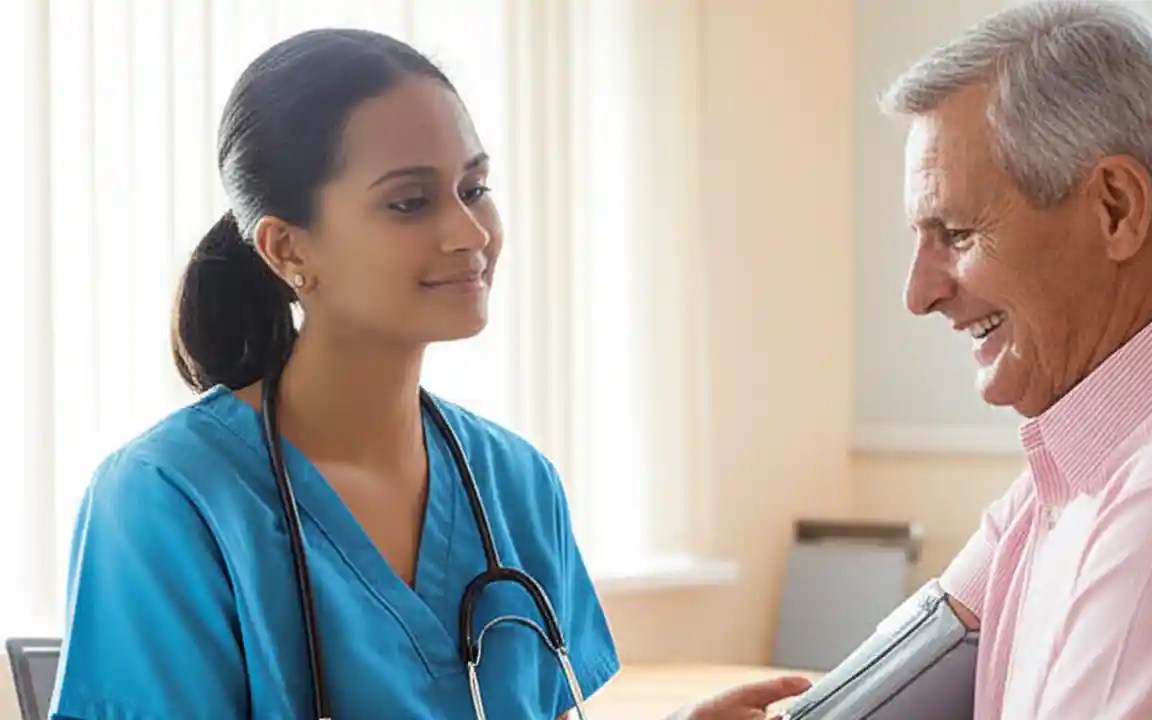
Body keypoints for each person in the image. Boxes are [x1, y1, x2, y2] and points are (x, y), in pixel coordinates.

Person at [49, 28, 809, 720]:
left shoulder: (515, 483)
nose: (470, 232)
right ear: (287, 249)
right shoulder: (166, 498)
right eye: (410, 203)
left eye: (474, 188)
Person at [879, 0, 1152, 717]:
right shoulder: (1068, 470)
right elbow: (866, 701)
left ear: (1117, 210)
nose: (919, 293)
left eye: (959, 233)